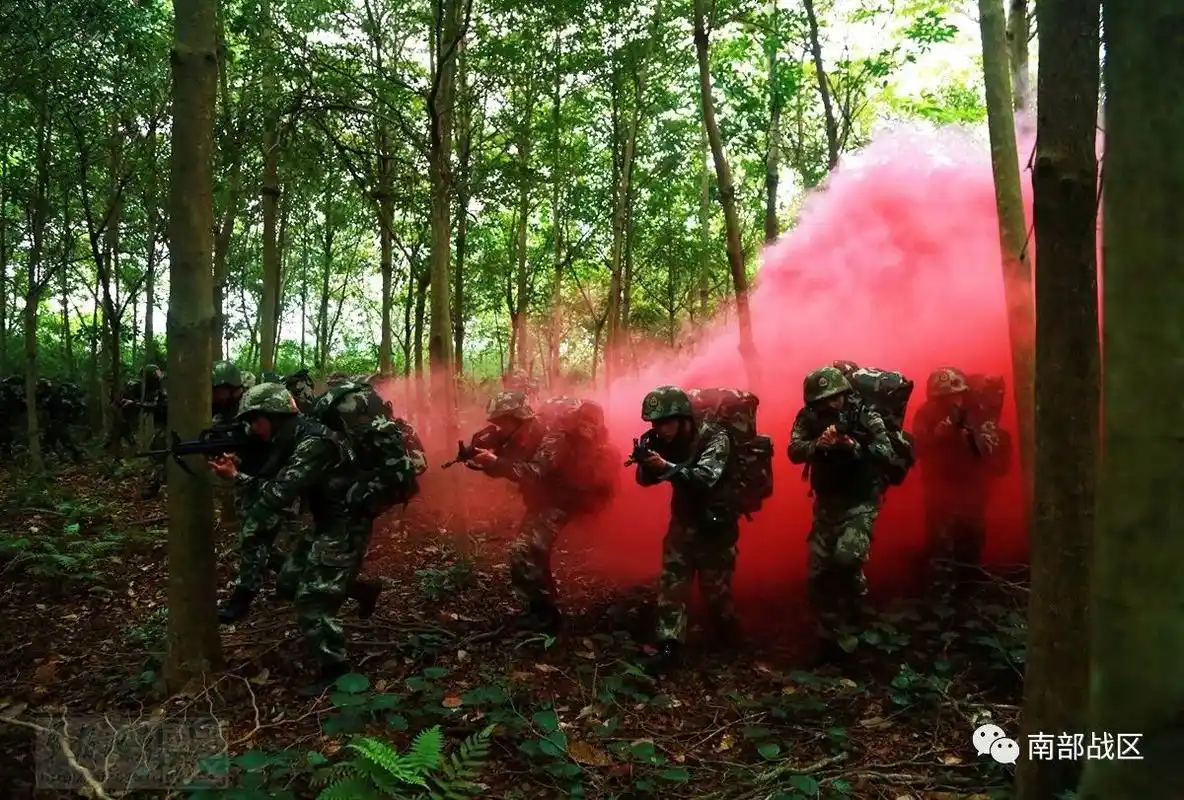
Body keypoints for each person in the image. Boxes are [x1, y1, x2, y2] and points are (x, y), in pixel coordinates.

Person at [209, 384, 411, 694]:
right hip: (326, 521)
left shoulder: (313, 443)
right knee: (288, 582)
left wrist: (236, 478)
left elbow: (277, 495)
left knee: (311, 602)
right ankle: (361, 590)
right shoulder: (295, 435)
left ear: (273, 415)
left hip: (345, 524)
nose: (252, 427)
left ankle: (336, 672)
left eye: (255, 419)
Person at [470, 396, 618, 631]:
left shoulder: (553, 435)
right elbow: (512, 467)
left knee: (524, 551)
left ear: (517, 418)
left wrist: (495, 462)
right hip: (546, 501)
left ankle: (546, 616)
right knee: (530, 552)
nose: (500, 427)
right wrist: (488, 462)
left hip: (561, 501)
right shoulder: (523, 436)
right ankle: (544, 610)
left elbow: (535, 472)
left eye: (502, 421)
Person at [788, 366, 896, 661]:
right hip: (827, 503)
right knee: (817, 574)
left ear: (844, 393)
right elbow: (793, 450)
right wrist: (816, 446)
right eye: (821, 400)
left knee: (847, 558)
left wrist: (852, 447)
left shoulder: (866, 414)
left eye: (833, 397)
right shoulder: (808, 417)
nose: (828, 405)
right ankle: (829, 640)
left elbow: (886, 452)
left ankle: (859, 616)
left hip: (861, 500)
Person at [634, 385, 740, 671]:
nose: (660, 429)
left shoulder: (715, 436)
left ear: (683, 418)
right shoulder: (660, 440)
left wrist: (666, 465)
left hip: (715, 525)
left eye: (666, 422)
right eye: (655, 423)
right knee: (672, 583)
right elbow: (644, 481)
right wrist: (648, 464)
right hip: (683, 523)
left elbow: (706, 477)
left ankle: (728, 636)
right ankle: (669, 646)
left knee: (715, 592)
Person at [912, 367, 1011, 592]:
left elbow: (992, 450)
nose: (954, 401)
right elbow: (916, 448)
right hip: (940, 490)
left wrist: (977, 437)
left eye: (958, 395)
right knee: (941, 548)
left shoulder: (976, 411)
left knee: (972, 541)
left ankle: (970, 595)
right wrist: (938, 436)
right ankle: (941, 598)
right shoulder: (926, 414)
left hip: (972, 489)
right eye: (946, 398)